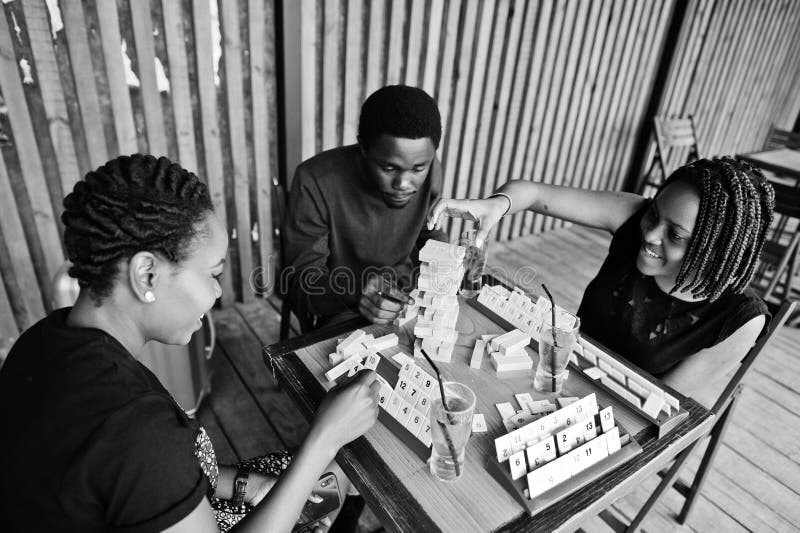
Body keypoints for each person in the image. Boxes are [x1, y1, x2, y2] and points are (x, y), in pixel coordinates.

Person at [0, 154, 380, 532]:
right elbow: (146, 466)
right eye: (212, 273)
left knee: (335, 477)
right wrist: (324, 438)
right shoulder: (136, 430)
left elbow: (149, 484)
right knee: (344, 468)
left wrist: (247, 486)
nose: (216, 293)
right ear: (147, 274)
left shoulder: (40, 343)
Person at [428, 156, 774, 408]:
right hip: (553, 374)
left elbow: (658, 406)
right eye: (655, 213)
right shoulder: (633, 214)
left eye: (676, 235)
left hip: (613, 416)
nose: (650, 234)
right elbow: (531, 192)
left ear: (713, 252)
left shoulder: (739, 319)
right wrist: (497, 205)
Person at [284, 84, 447, 330]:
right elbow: (301, 285)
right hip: (342, 308)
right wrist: (357, 289)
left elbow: (430, 233)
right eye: (389, 168)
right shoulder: (315, 181)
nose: (403, 184)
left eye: (418, 169)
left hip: (406, 292)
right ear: (363, 148)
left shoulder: (431, 167)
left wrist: (449, 262)